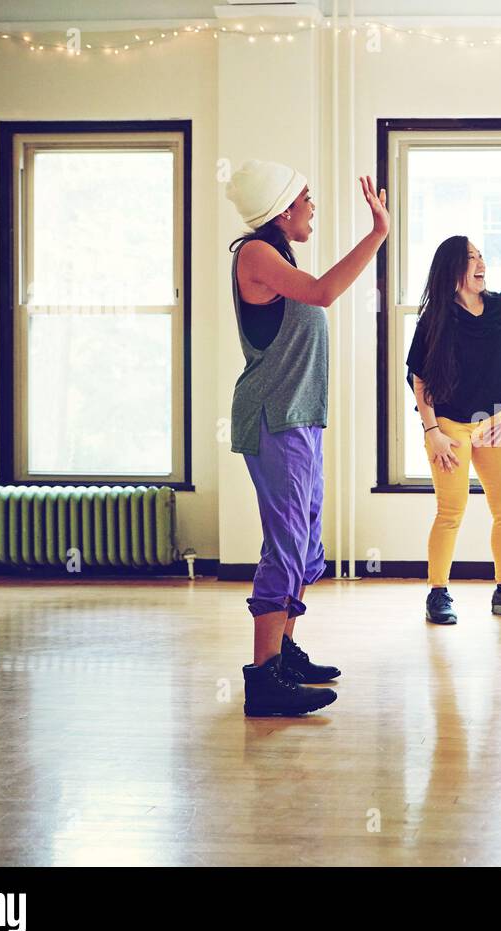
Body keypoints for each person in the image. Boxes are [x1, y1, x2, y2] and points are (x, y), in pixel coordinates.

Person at [225, 159, 388, 716]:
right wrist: (377, 234)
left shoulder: (277, 256)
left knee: (305, 542)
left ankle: (285, 653)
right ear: (282, 208)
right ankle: (263, 679)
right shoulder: (254, 254)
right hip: (274, 417)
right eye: (307, 198)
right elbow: (321, 294)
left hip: (299, 419)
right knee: (286, 541)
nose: (313, 207)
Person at [406, 236, 501, 625]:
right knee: (450, 512)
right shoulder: (437, 317)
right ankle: (438, 594)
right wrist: (432, 431)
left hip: (491, 425)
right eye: (471, 258)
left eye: (482, 255)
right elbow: (419, 379)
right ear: (453, 269)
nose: (481, 262)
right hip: (448, 426)